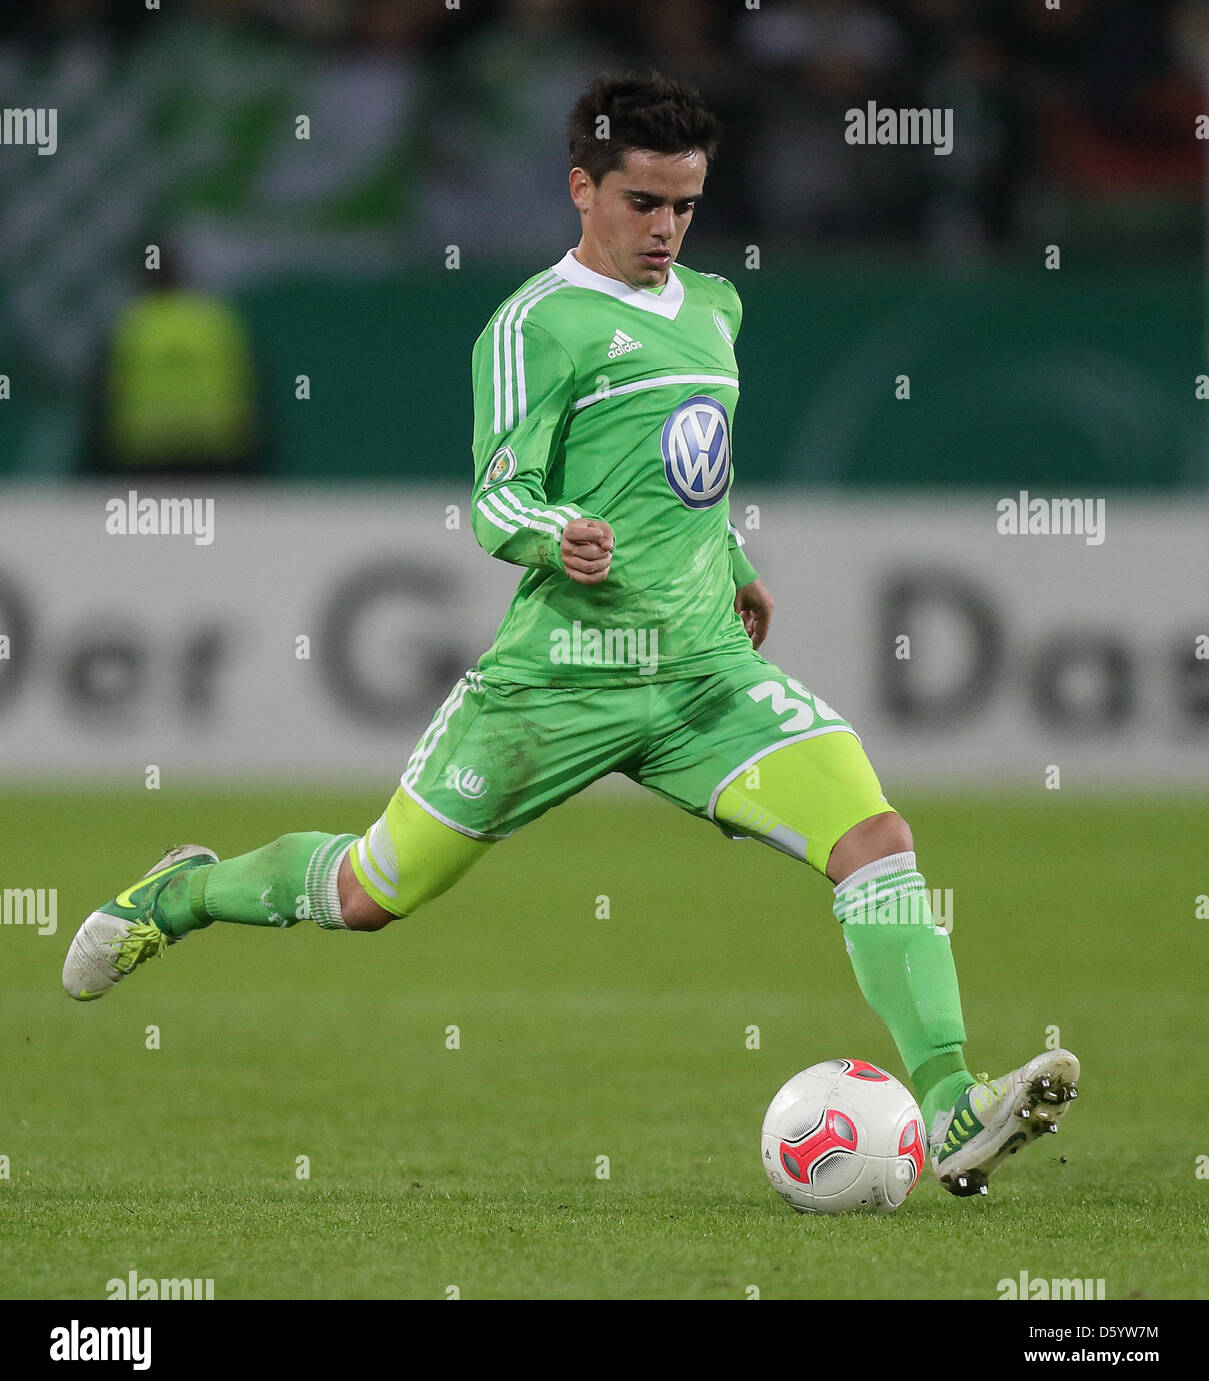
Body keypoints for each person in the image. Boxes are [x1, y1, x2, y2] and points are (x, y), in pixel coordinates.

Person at [63, 71, 1077, 1197]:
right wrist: (555, 533)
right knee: (367, 893)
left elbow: (689, 467)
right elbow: (497, 496)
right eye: (643, 202)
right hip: (558, 683)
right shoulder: (535, 326)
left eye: (686, 205)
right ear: (581, 188)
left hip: (701, 676)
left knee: (875, 840)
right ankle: (187, 891)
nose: (667, 228)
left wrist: (732, 558)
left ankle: (948, 1106)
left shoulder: (714, 308)